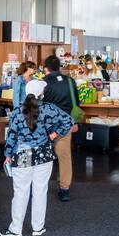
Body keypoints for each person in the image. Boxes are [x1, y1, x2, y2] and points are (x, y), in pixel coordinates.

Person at [2, 80, 74, 236]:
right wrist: (54, 134)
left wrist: (8, 154)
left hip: (23, 154)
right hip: (44, 153)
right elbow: (69, 121)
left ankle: (16, 229)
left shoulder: (17, 111)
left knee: (20, 191)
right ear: (41, 93)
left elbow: (12, 136)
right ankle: (38, 227)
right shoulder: (49, 109)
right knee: (40, 190)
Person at [40, 55, 80, 202]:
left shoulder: (43, 82)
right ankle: (64, 189)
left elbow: (39, 104)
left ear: (46, 68)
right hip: (66, 124)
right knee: (64, 157)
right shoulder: (70, 81)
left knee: (43, 156)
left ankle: (40, 186)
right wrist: (74, 122)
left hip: (47, 126)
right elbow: (76, 102)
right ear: (60, 67)